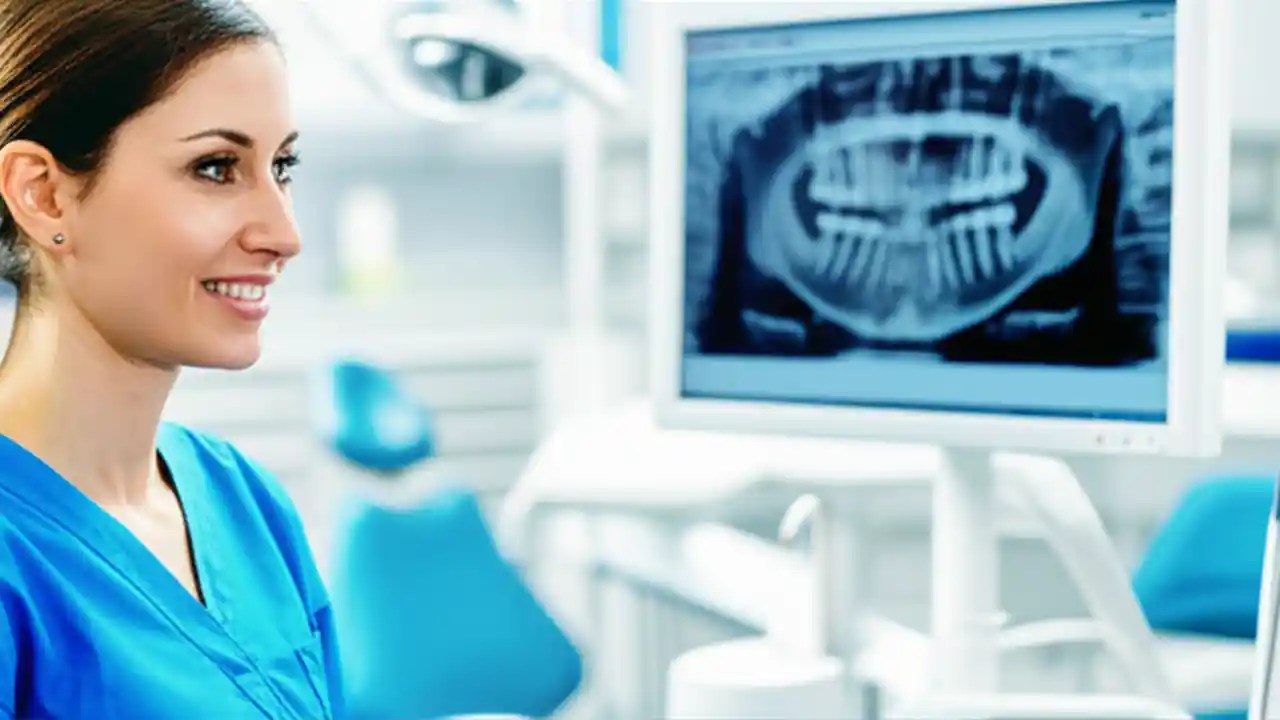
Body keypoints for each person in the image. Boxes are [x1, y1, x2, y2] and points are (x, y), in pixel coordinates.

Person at [0, 1, 342, 717]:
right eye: (215, 168)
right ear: (44, 195)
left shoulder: (245, 502)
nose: (284, 233)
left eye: (282, 166)